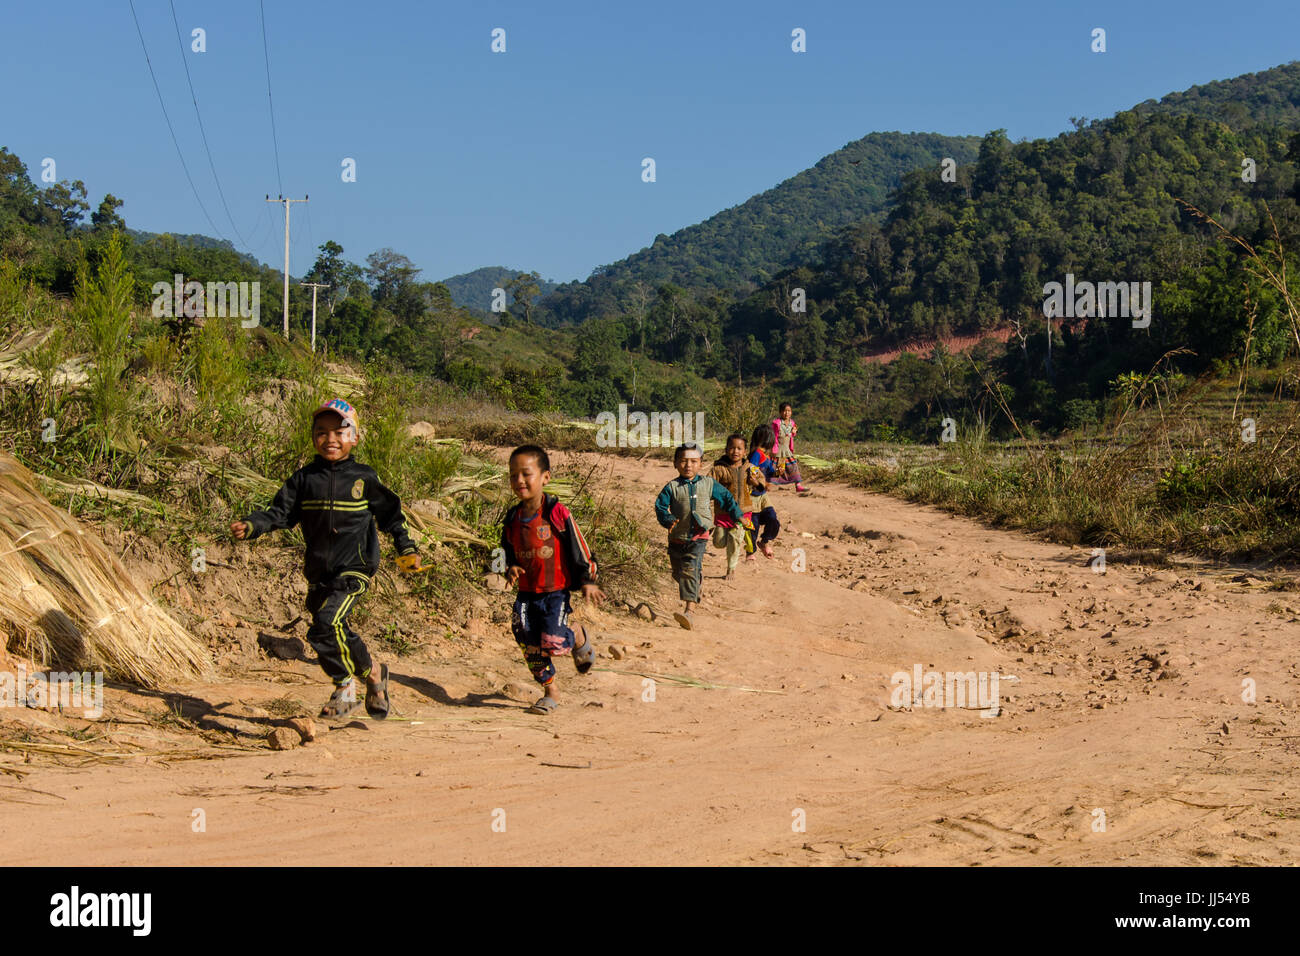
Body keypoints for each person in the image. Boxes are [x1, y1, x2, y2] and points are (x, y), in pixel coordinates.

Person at [230, 398, 422, 720]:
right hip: (319, 573)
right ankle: (374, 673)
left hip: (356, 568)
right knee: (332, 631)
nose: (330, 439)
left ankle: (345, 688)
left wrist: (406, 549)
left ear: (355, 437)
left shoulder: (365, 478)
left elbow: (392, 516)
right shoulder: (304, 480)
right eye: (322, 432)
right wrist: (252, 525)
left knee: (326, 623)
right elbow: (280, 514)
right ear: (313, 437)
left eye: (340, 431)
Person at [501, 445, 605, 715]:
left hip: (554, 592)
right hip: (525, 593)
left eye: (526, 474)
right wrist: (509, 567)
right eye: (513, 475)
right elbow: (504, 550)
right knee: (526, 639)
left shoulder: (557, 513)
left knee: (554, 642)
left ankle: (578, 635)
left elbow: (579, 548)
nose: (519, 481)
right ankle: (550, 691)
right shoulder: (512, 518)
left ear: (545, 477)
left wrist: (588, 579)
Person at [654, 441, 743, 629]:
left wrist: (737, 515)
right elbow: (660, 506)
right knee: (678, 573)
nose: (688, 465)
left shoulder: (708, 483)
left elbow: (726, 498)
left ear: (701, 464)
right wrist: (668, 520)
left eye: (694, 461)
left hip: (699, 537)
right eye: (684, 461)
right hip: (677, 538)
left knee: (689, 570)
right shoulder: (671, 487)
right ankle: (696, 581)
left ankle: (689, 612)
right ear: (675, 463)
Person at [709, 434, 764, 578]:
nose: (735, 451)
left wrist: (755, 482)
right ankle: (734, 542)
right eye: (732, 448)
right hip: (723, 512)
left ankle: (731, 569)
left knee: (735, 537)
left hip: (743, 512)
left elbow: (762, 482)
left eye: (739, 448)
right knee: (719, 542)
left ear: (745, 451)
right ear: (726, 450)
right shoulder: (719, 468)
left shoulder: (750, 468)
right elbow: (708, 485)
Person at [745, 425, 781, 558]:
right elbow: (752, 472)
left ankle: (764, 541)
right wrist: (763, 483)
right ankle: (750, 553)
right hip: (753, 496)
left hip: (763, 496)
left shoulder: (765, 455)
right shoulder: (756, 454)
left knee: (773, 519)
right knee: (752, 526)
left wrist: (778, 472)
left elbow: (771, 472)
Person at [771, 403, 808, 492]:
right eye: (784, 411)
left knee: (793, 466)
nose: (786, 413)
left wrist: (794, 432)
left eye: (789, 411)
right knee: (777, 470)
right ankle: (769, 485)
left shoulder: (792, 423)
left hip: (787, 450)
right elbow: (773, 436)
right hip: (778, 450)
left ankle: (798, 485)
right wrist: (773, 449)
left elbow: (792, 435)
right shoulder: (776, 423)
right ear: (780, 412)